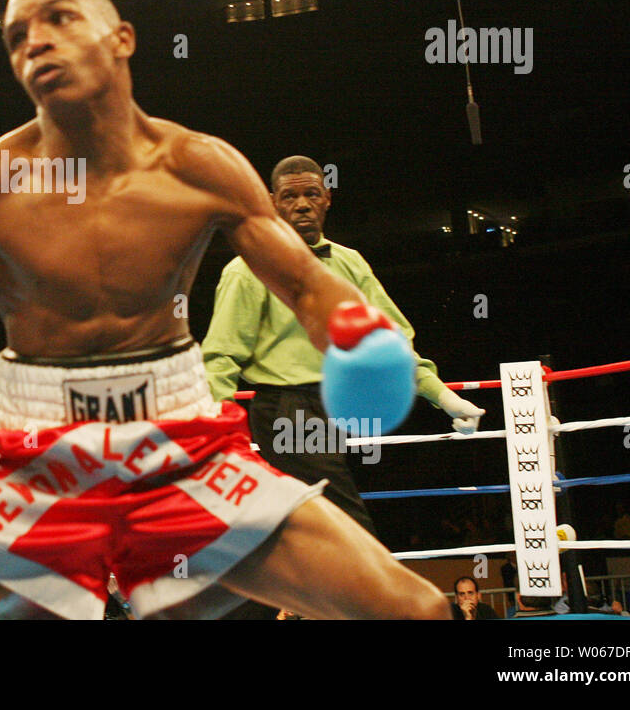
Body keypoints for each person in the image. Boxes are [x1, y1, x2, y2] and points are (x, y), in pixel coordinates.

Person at [0, 0, 450, 620]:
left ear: (123, 38)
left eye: (60, 18)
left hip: (183, 445)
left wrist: (353, 328)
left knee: (414, 609)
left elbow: (304, 283)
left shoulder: (199, 166)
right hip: (29, 453)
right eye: (16, 36)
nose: (35, 41)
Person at [203, 155, 484, 536]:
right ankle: (375, 593)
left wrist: (442, 396)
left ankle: (274, 594)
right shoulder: (248, 268)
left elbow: (392, 341)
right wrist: (223, 433)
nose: (302, 204)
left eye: (311, 194)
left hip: (343, 406)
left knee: (304, 533)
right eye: (290, 196)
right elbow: (221, 356)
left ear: (327, 199)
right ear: (272, 202)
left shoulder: (350, 263)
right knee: (349, 529)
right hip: (288, 410)